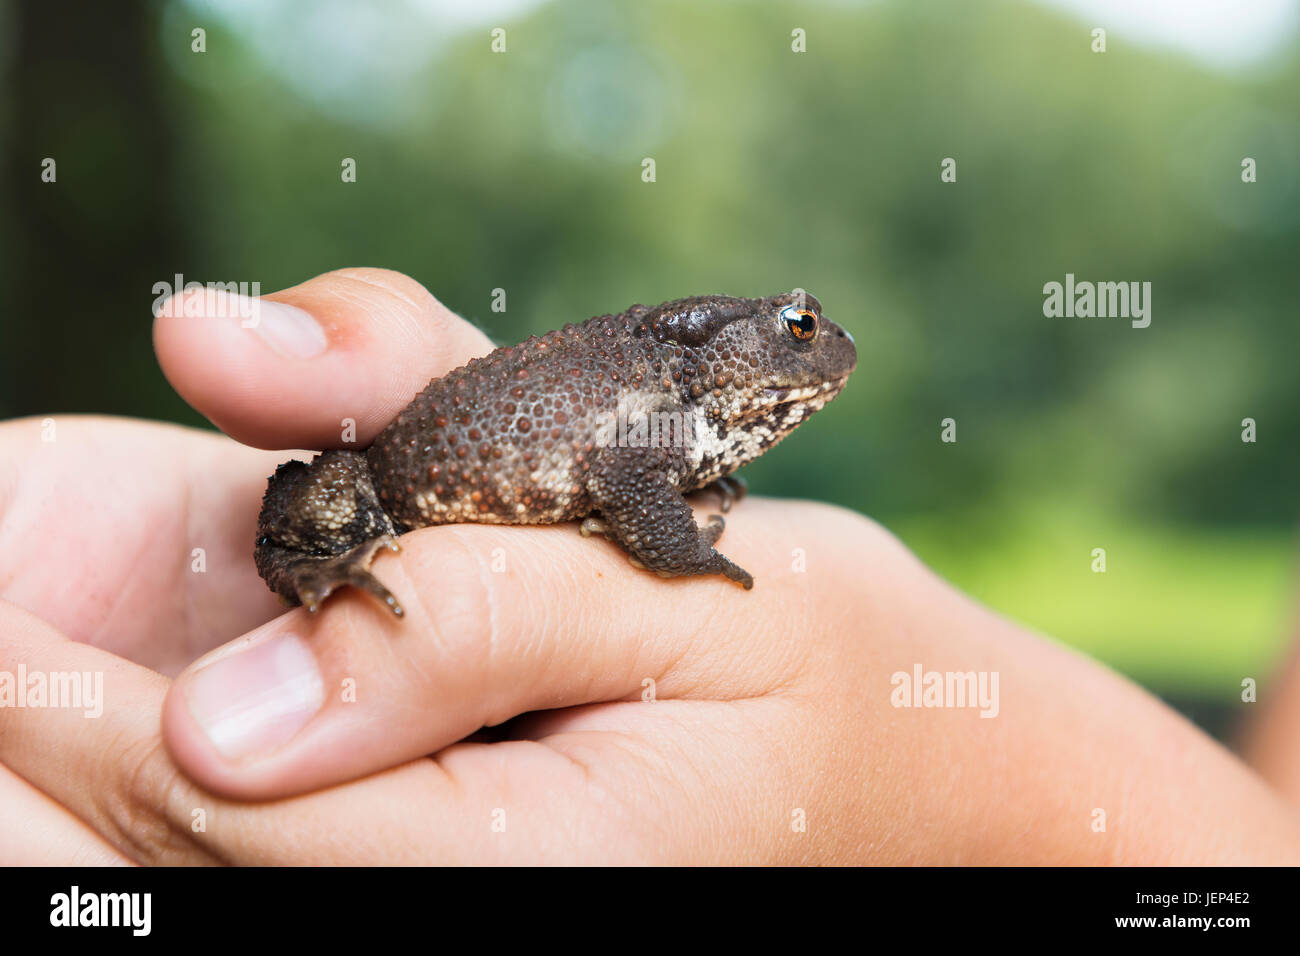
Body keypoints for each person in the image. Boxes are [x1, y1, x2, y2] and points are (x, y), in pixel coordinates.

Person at [2, 268, 1298, 864]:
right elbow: (626, 481)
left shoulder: (688, 408)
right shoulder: (669, 403)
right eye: (796, 329)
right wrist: (694, 561)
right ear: (724, 346)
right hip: (396, 486)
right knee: (328, 504)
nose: (819, 345)